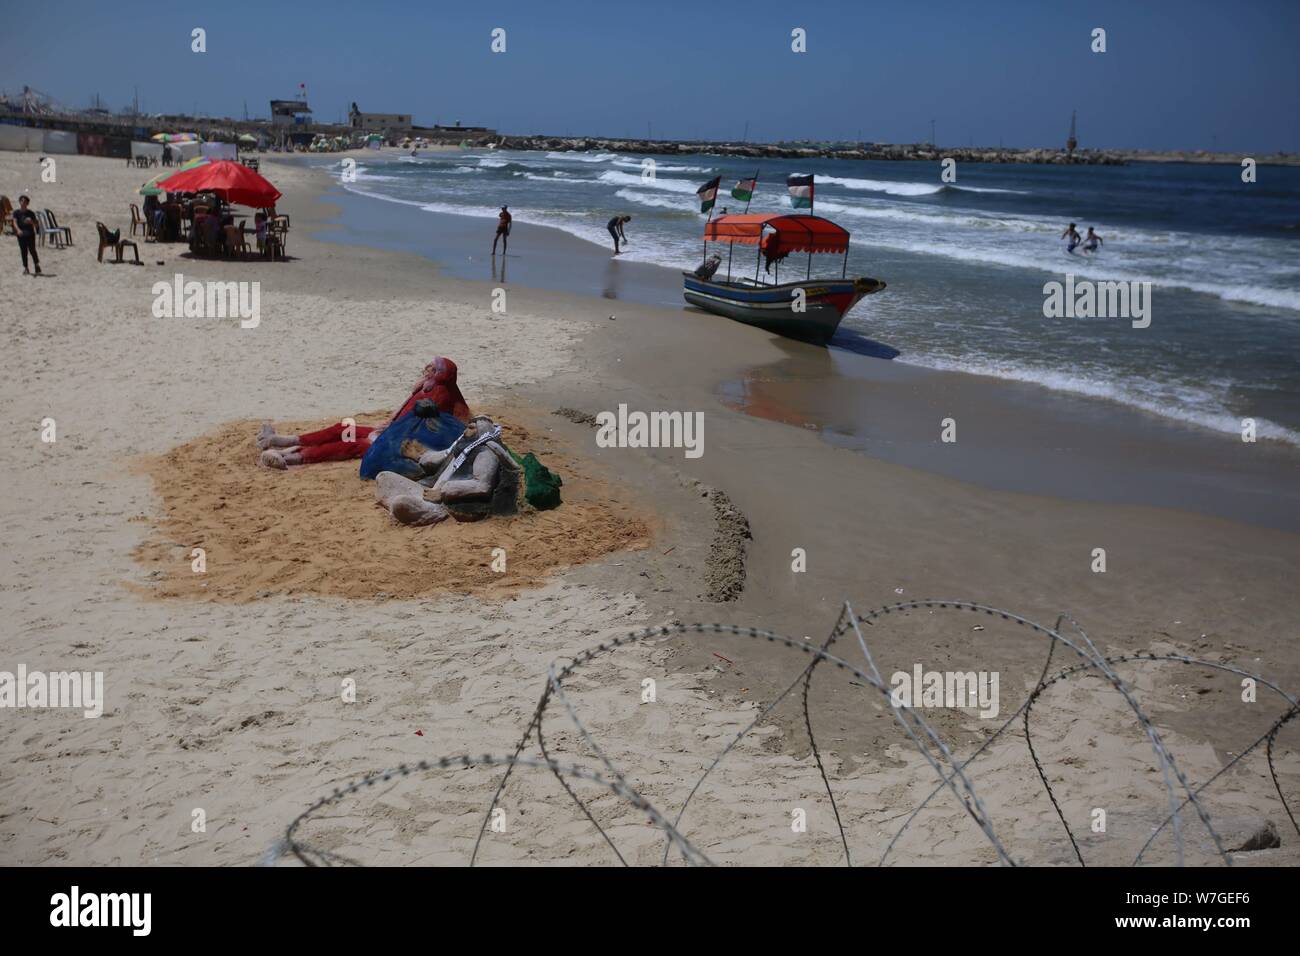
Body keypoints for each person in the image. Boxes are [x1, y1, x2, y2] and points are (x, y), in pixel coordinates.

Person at [257, 357, 470, 468]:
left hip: (400, 443)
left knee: (351, 445)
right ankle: (281, 441)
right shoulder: (428, 387)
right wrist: (387, 422)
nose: (425, 368)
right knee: (343, 429)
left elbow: (421, 425)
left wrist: (385, 431)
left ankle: (290, 457)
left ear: (438, 374)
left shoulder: (438, 394)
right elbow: (405, 411)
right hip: (391, 432)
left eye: (431, 367)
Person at [374, 414, 516, 526]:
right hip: (431, 492)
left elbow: (482, 486)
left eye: (472, 428)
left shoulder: (486, 453)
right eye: (467, 427)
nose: (466, 431)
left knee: (400, 503)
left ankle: (405, 507)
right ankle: (402, 506)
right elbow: (441, 457)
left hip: (448, 504)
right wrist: (420, 457)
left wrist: (443, 492)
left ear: (482, 432)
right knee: (383, 477)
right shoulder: (463, 447)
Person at [13, 195, 41, 275]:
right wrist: (18, 230)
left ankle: (37, 265)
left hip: (30, 234)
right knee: (23, 251)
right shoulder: (16, 213)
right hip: (21, 235)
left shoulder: (30, 213)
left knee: (32, 250)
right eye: (21, 201)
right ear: (19, 202)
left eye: (25, 201)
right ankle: (26, 268)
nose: (23, 203)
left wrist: (31, 222)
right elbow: (14, 222)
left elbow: (36, 224)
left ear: (27, 203)